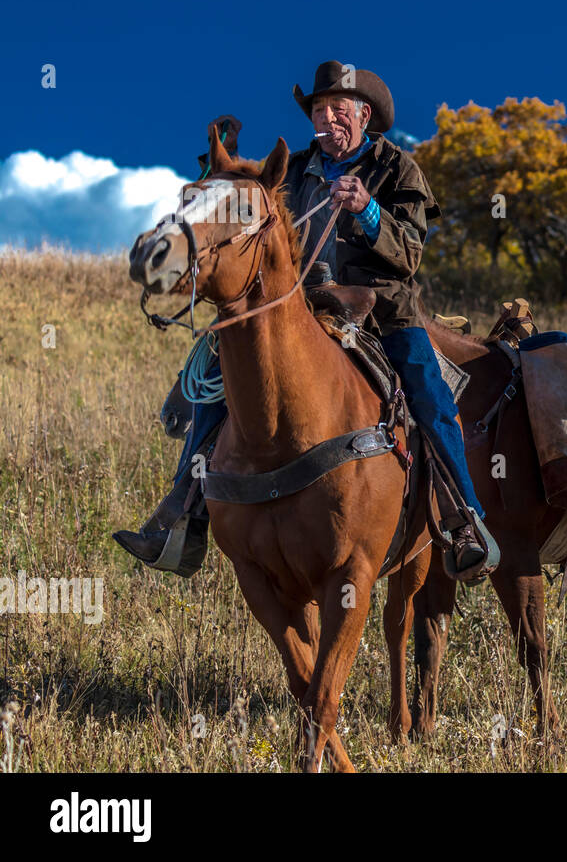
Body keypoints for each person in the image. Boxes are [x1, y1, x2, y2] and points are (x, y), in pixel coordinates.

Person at [114, 61, 494, 580]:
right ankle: (181, 518)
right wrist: (218, 151)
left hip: (381, 312)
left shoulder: (397, 169)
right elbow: (235, 198)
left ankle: (462, 522)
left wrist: (367, 210)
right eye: (319, 108)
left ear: (364, 116)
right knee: (215, 381)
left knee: (432, 398)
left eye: (339, 108)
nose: (328, 117)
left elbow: (409, 255)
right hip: (299, 307)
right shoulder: (290, 171)